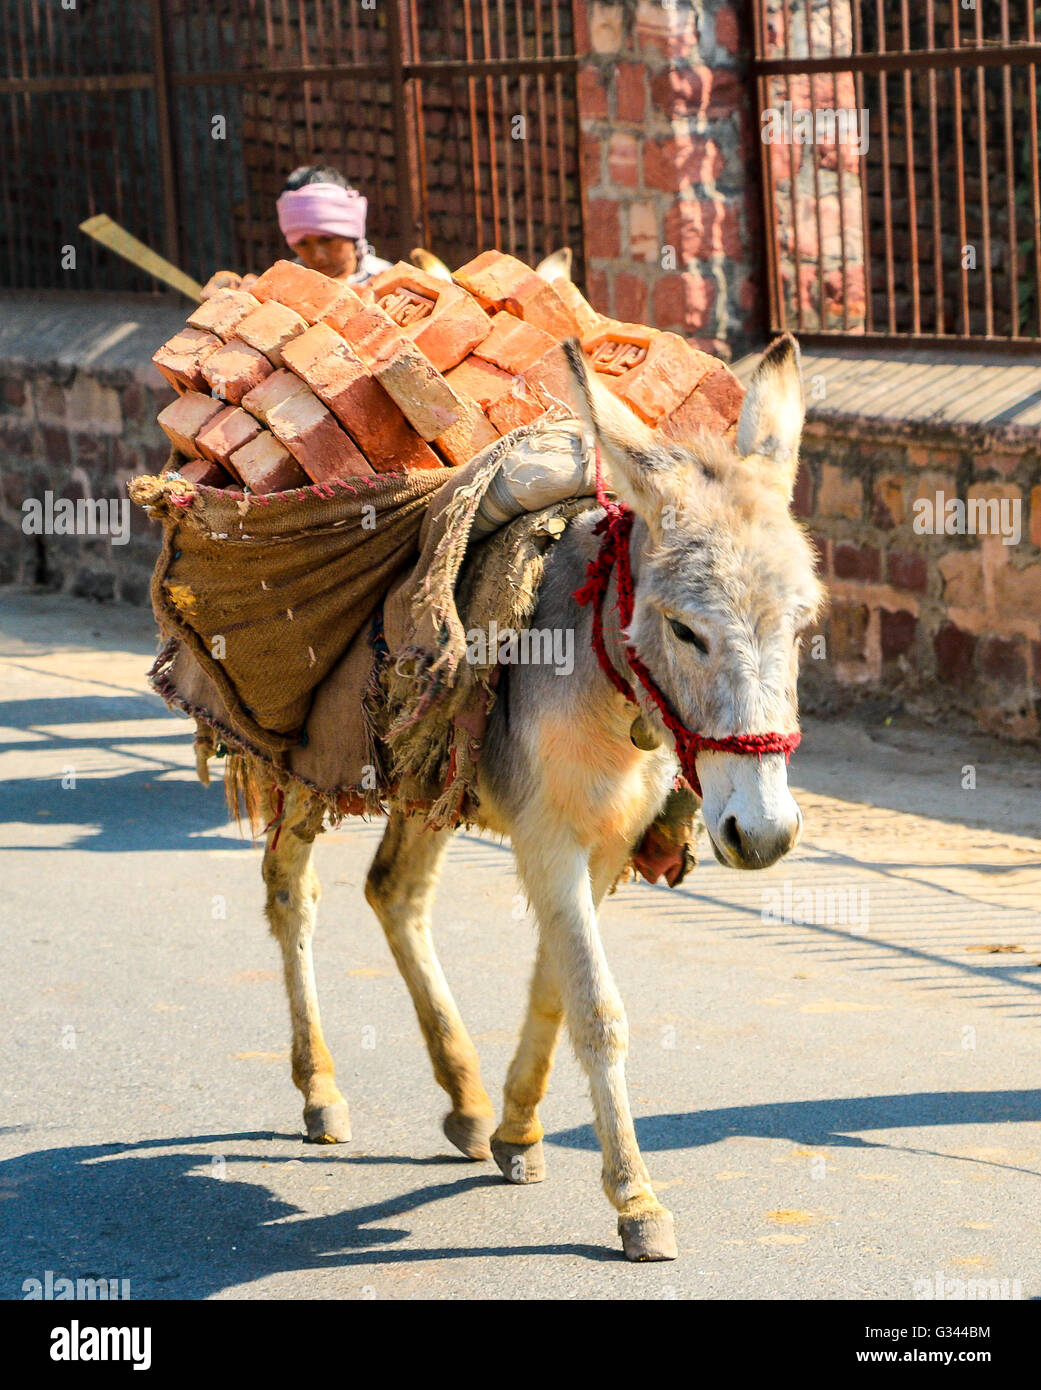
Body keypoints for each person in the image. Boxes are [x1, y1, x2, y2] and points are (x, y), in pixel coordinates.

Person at [200, 164, 392, 299]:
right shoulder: (277, 289)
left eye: (327, 239)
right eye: (302, 243)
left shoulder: (391, 283)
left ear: (352, 231)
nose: (317, 256)